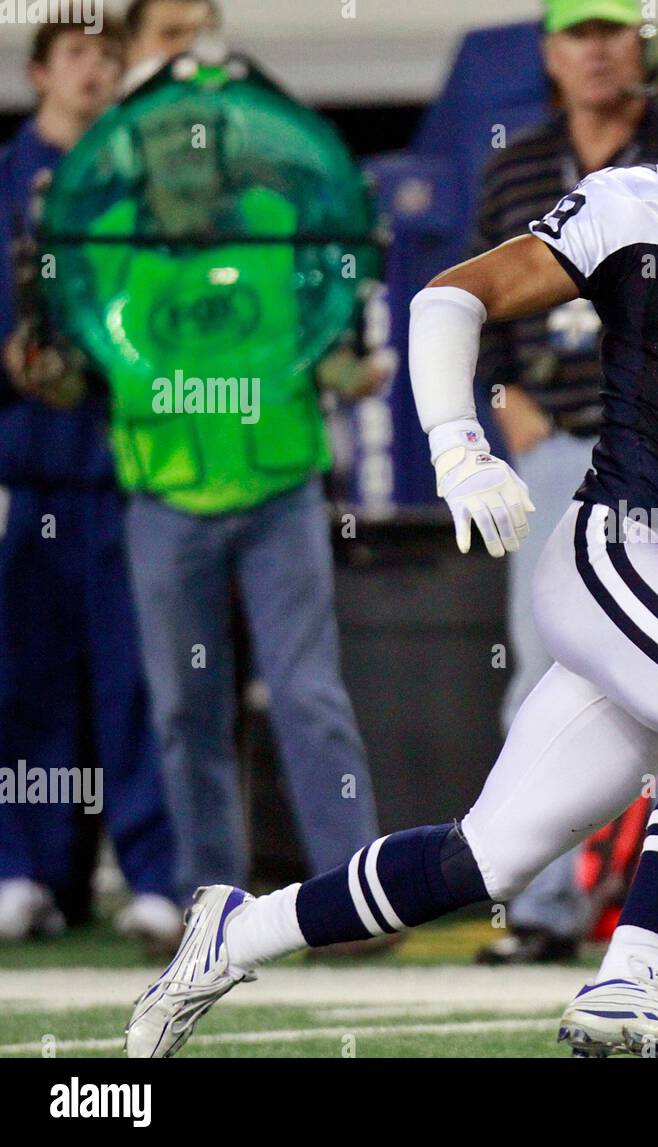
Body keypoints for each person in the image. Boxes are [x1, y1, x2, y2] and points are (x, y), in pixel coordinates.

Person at [126, 14, 658, 1060]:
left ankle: (232, 931)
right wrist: (459, 447)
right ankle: (629, 980)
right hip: (619, 548)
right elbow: (449, 296)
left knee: (487, 856)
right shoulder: (645, 203)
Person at [92, 2, 390, 904]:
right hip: (165, 495)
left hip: (279, 486)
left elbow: (326, 338)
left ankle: (352, 895)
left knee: (309, 696)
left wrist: (350, 363)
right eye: (168, 132)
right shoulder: (98, 238)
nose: (187, 145)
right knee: (184, 709)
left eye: (202, 130)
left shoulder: (277, 214)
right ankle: (206, 905)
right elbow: (80, 362)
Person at [472, 0, 658, 967]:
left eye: (612, 31)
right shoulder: (513, 164)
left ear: (642, 44)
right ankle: (540, 903)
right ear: (550, 50)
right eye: (578, 32)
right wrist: (507, 405)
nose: (595, 49)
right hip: (554, 440)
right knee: (542, 666)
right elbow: (486, 304)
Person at [0, 17, 179, 949]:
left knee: (138, 679)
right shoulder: (7, 181)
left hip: (131, 470)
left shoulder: (138, 180)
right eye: (77, 56)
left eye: (110, 57)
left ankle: (152, 873)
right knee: (27, 679)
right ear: (38, 72)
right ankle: (27, 870)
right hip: (30, 469)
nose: (98, 72)